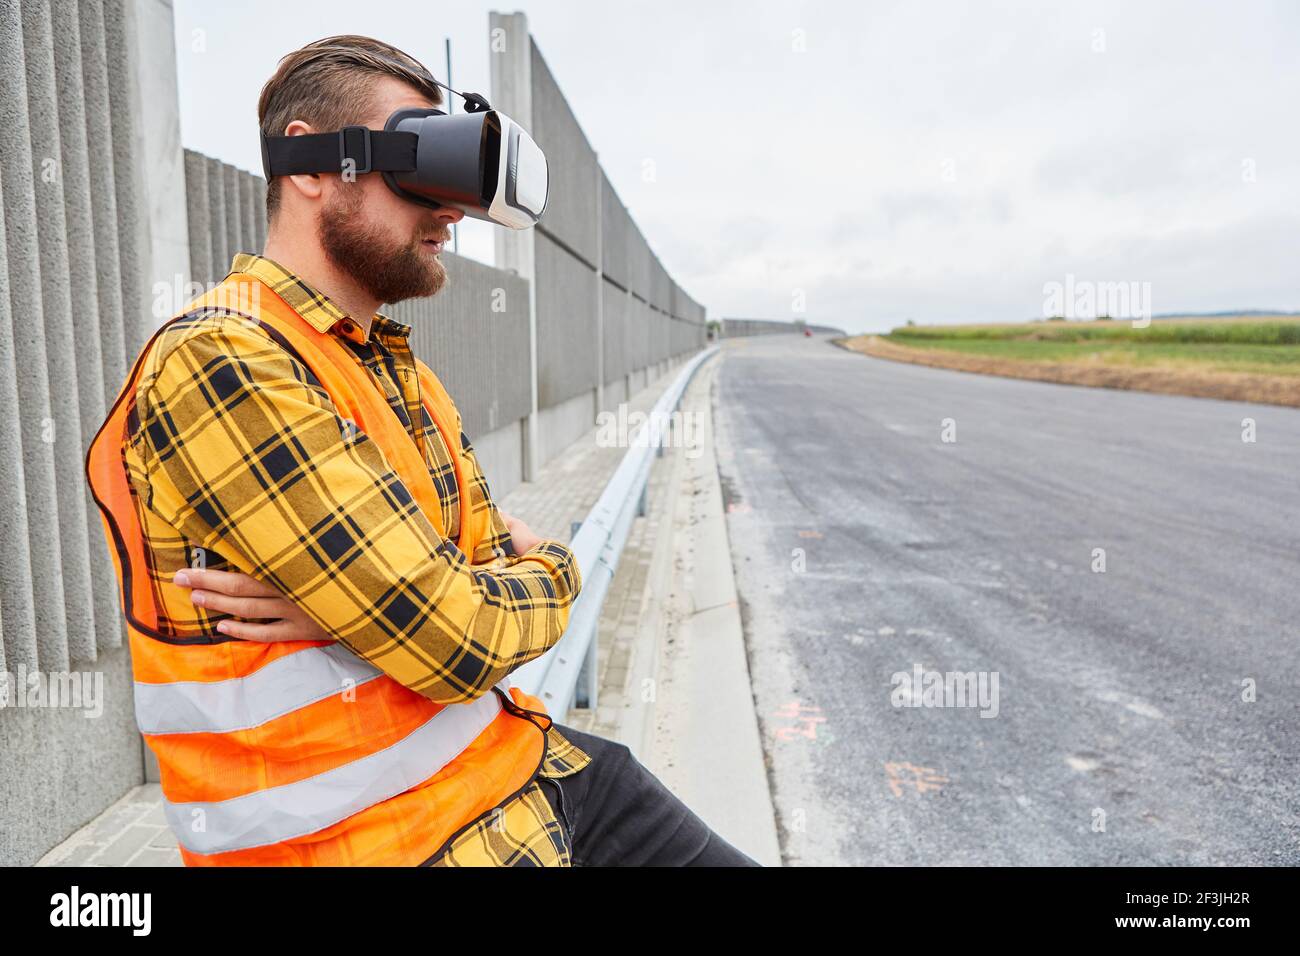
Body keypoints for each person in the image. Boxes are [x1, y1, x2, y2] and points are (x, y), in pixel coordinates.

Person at [85, 34, 755, 867]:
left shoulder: (401, 374)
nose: (453, 210)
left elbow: (453, 593)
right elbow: (458, 638)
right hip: (393, 844)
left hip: (529, 772)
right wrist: (546, 568)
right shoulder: (226, 360)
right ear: (309, 165)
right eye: (420, 164)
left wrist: (364, 618)